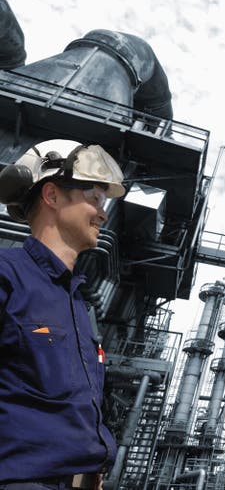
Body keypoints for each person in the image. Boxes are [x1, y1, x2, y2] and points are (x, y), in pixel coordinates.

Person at [0, 139, 124, 489]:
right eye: (94, 198)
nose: (102, 213)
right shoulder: (7, 275)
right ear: (52, 195)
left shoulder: (75, 303)